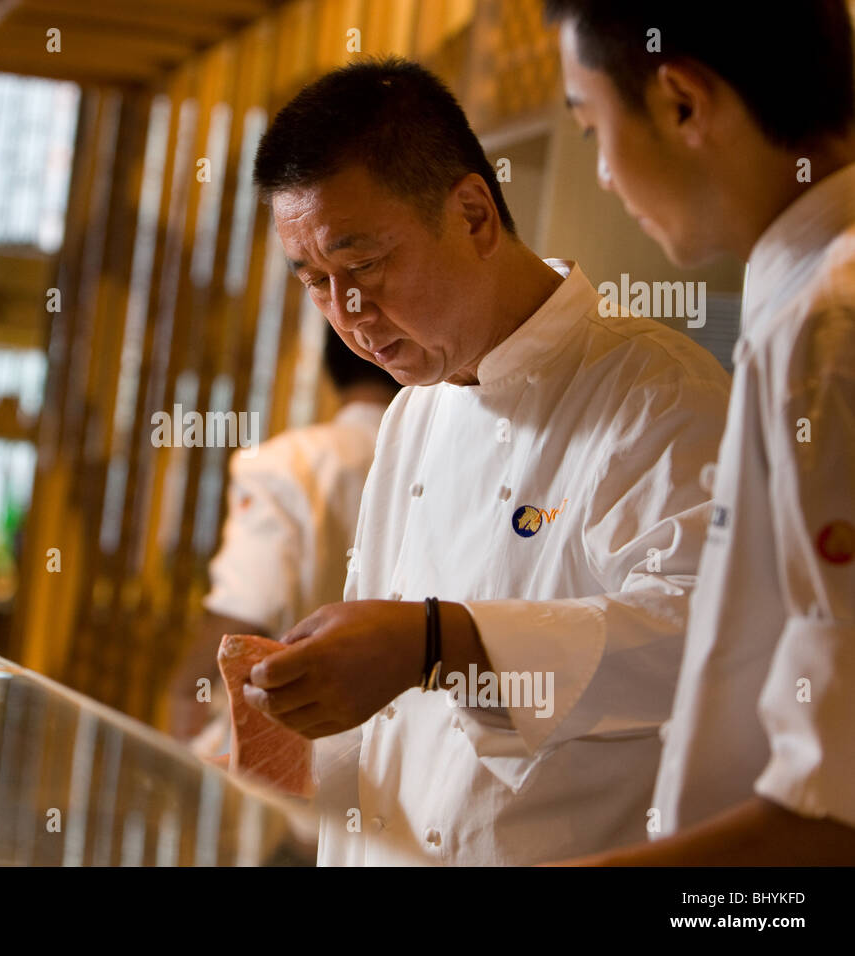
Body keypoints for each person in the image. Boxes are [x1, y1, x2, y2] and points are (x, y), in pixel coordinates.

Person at [241, 57, 731, 865]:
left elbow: (700, 641)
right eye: (317, 283)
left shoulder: (656, 392)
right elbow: (396, 729)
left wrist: (440, 643)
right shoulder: (413, 412)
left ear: (473, 214)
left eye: (363, 265)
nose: (351, 318)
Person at [546, 0, 855, 864]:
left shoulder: (830, 329)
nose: (604, 174)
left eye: (589, 125)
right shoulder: (803, 305)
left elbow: (833, 811)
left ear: (682, 103)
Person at [166, 327, 400, 746]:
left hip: (282, 736)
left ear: (332, 365)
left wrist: (184, 690)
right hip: (390, 745)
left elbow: (247, 606)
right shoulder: (441, 467)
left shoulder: (286, 465)